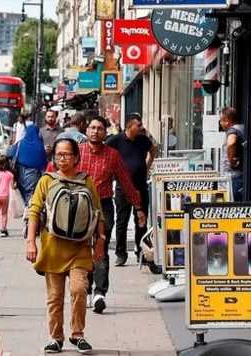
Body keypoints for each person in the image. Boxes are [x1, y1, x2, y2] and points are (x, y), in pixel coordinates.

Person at [47, 117, 145, 313]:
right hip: (78, 207)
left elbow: (125, 182)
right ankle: (87, 288)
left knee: (101, 247)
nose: (95, 131)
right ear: (87, 129)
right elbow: (56, 170)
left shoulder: (113, 155)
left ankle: (100, 292)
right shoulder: (78, 152)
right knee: (83, 248)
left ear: (105, 132)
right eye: (92, 127)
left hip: (103, 206)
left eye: (99, 128)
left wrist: (138, 207)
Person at [26, 138, 105, 354]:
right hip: (52, 249)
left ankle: (77, 334)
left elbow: (98, 213)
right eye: (59, 154)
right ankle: (56, 337)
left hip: (80, 248)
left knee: (79, 289)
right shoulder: (47, 180)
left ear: (76, 157)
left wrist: (100, 240)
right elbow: (34, 211)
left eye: (67, 154)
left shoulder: (87, 181)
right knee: (55, 298)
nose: (63, 158)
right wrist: (30, 241)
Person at [107, 113, 156, 266]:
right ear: (129, 127)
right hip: (123, 187)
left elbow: (153, 149)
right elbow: (105, 152)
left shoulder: (143, 140)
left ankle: (141, 251)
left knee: (141, 220)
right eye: (138, 125)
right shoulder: (117, 140)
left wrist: (148, 165)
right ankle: (121, 254)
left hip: (140, 185)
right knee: (122, 220)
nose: (141, 128)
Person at [7, 124, 47, 205]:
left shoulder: (20, 143)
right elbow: (43, 162)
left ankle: (25, 211)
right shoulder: (40, 146)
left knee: (21, 193)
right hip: (33, 174)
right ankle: (28, 212)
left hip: (19, 173)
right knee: (30, 195)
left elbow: (9, 154)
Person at [219, 107, 245, 201]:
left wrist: (231, 160)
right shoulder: (242, 128)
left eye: (221, 120)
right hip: (238, 174)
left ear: (227, 121)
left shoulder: (232, 130)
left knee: (232, 203)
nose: (220, 123)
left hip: (232, 176)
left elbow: (231, 143)